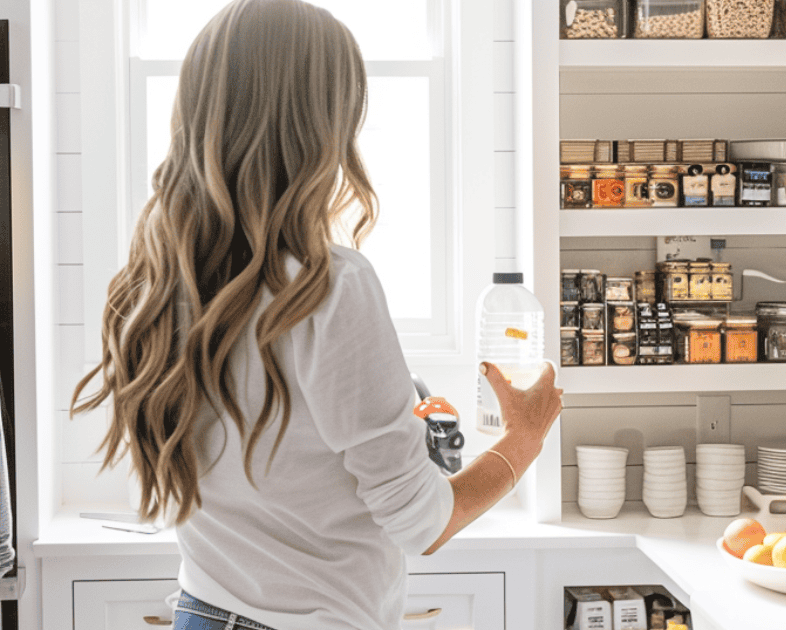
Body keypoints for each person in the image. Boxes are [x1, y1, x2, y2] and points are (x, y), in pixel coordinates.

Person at [68, 1, 563, 628]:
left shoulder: (159, 278)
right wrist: (524, 439)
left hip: (204, 610)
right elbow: (422, 524)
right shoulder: (331, 286)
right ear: (324, 127)